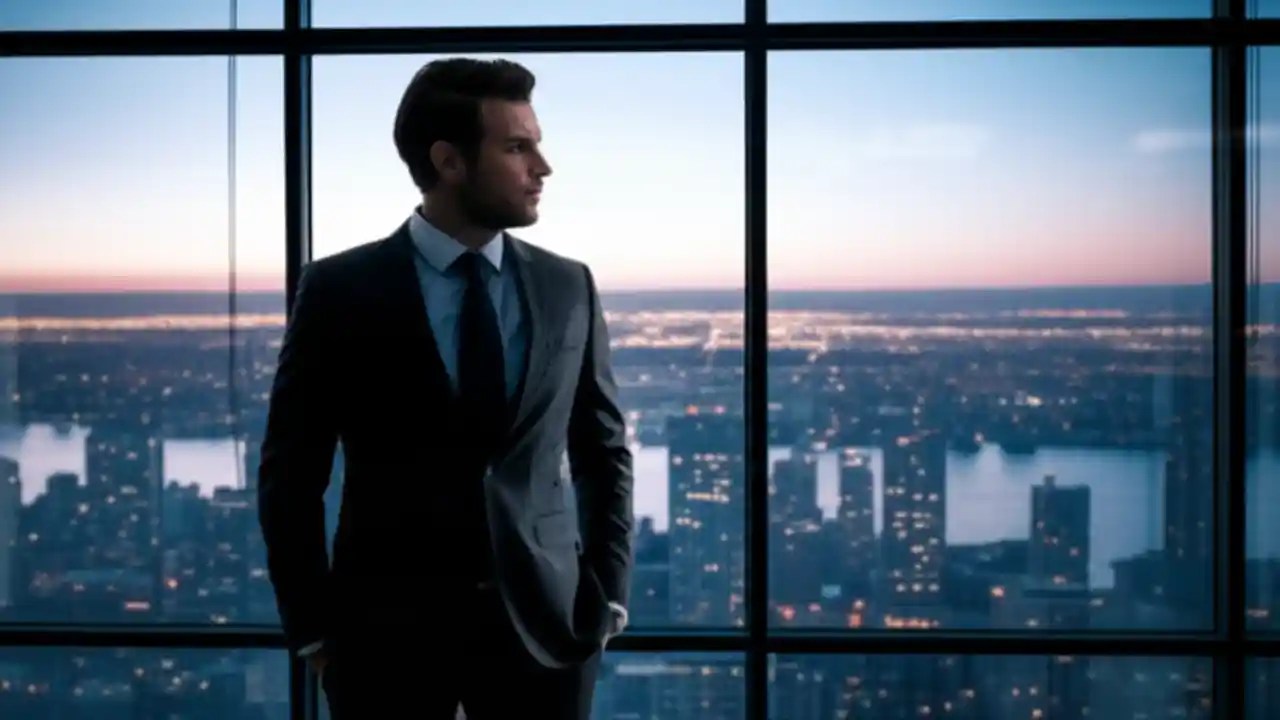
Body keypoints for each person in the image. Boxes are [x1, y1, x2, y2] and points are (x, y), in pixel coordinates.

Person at [256, 57, 634, 719]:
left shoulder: (567, 285)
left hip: (548, 634)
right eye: (518, 148)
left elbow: (603, 451)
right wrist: (315, 631)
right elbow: (290, 474)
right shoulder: (341, 291)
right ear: (449, 161)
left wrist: (607, 595)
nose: (542, 168)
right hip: (385, 639)